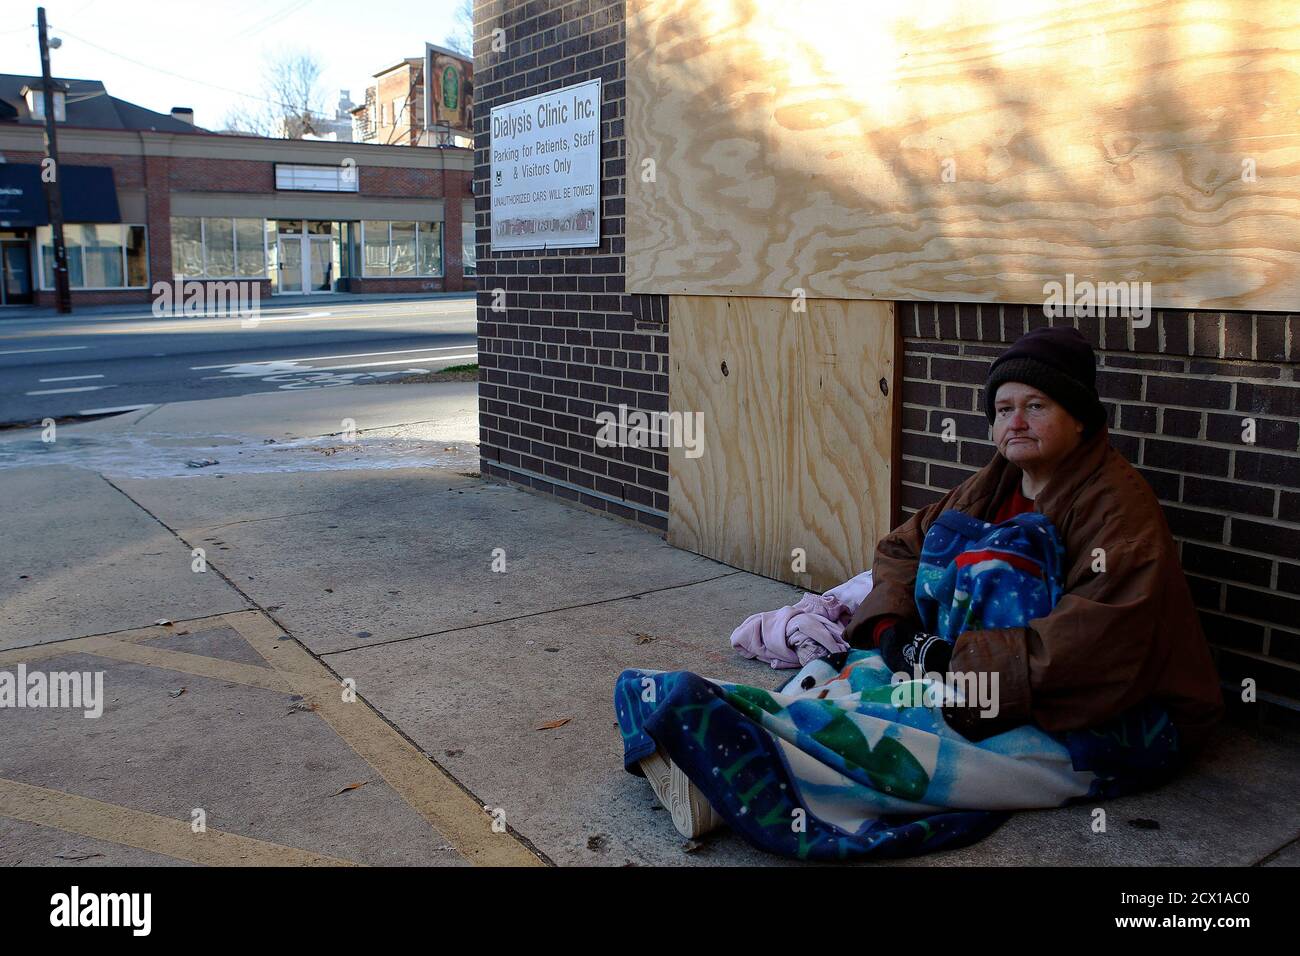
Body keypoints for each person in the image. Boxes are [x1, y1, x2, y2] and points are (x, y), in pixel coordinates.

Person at [844, 325, 1224, 755]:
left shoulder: (1118, 508)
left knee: (885, 750)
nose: (1017, 422)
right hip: (972, 675)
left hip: (1112, 710)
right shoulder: (991, 484)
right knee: (843, 702)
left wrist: (950, 663)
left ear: (1079, 419)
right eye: (1004, 410)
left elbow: (1094, 641)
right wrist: (895, 630)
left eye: (1036, 406)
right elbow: (901, 547)